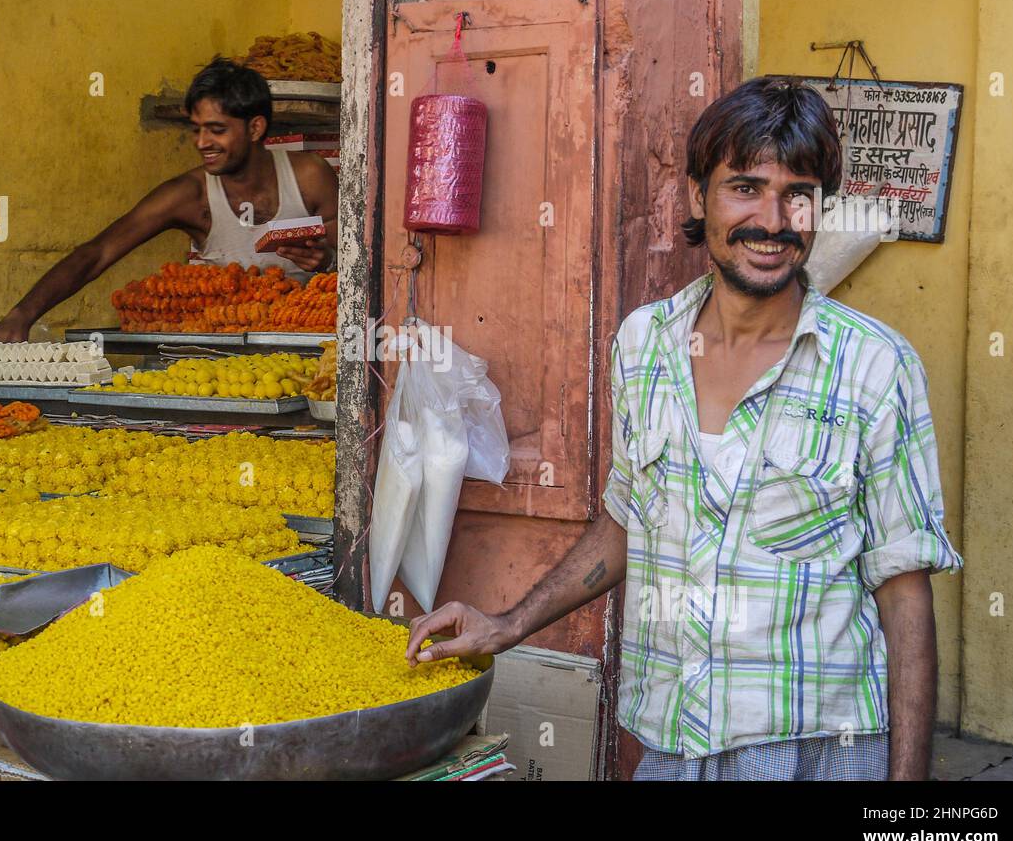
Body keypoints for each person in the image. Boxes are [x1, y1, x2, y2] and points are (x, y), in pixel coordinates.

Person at [406, 77, 962, 781]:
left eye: (799, 192)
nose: (774, 218)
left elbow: (904, 589)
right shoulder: (644, 345)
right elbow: (625, 521)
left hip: (819, 748)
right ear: (699, 197)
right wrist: (508, 624)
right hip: (670, 742)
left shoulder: (875, 366)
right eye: (746, 187)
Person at [0, 58, 338, 342]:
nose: (202, 142)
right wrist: (22, 315)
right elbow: (97, 253)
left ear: (255, 128)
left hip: (306, 347)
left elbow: (361, 264)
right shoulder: (188, 196)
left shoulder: (309, 176)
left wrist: (326, 262)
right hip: (216, 357)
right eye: (196, 129)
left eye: (217, 130)